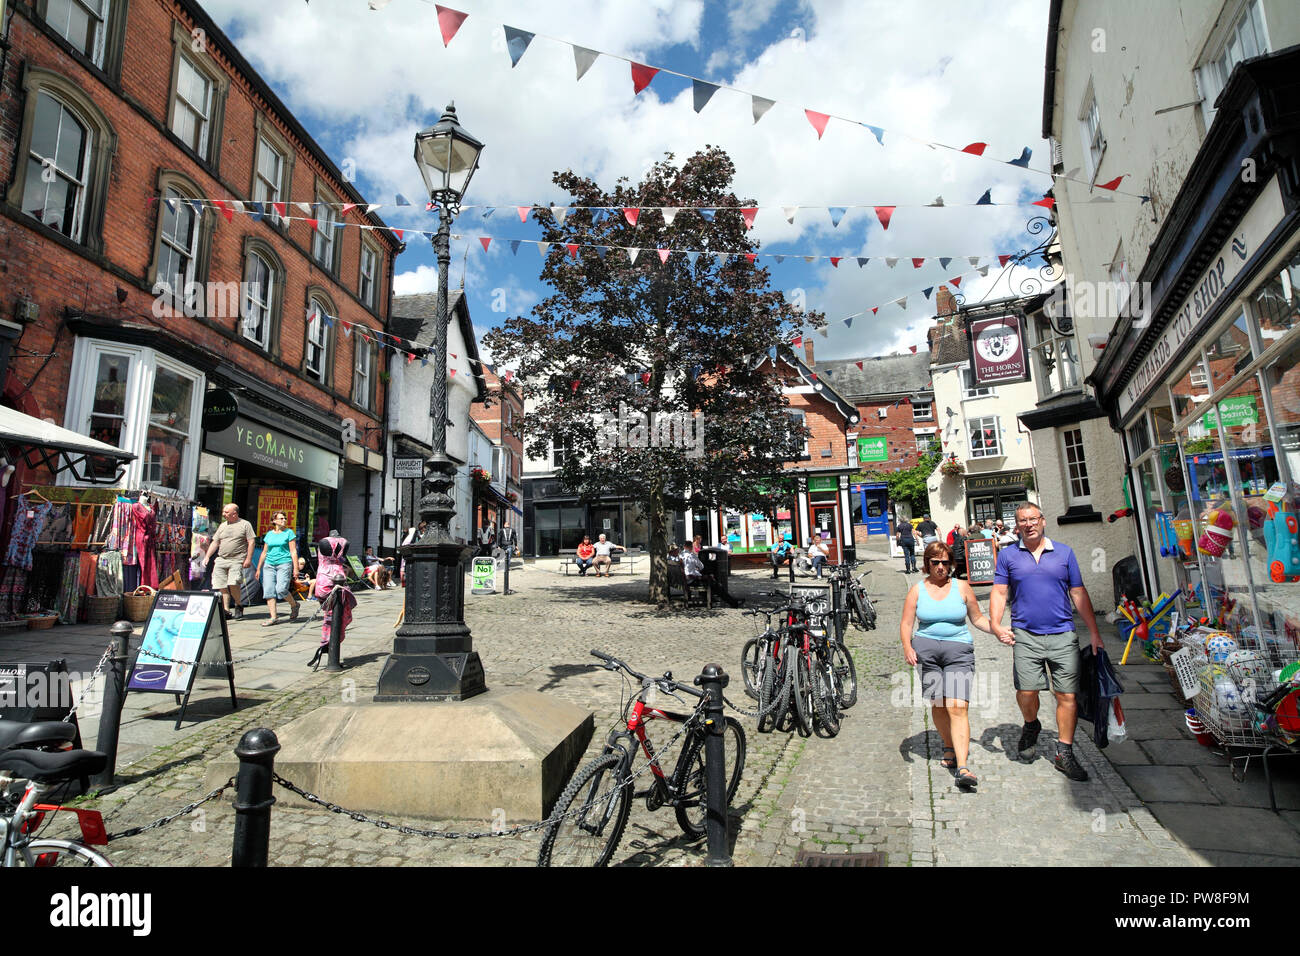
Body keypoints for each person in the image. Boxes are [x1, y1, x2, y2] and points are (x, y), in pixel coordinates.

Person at [988, 502, 1104, 782]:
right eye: (1022, 520)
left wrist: (1095, 632)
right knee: (1027, 691)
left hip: (1063, 633)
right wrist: (995, 624)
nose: (1028, 524)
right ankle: (1031, 724)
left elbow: (1077, 592)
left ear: (1043, 521)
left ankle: (1064, 752)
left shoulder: (1064, 553)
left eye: (1033, 519)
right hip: (1025, 635)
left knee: (1067, 695)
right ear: (1016, 525)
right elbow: (1000, 592)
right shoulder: (1008, 556)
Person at [901, 542, 1001, 790]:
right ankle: (948, 744)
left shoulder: (962, 587)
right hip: (927, 652)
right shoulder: (917, 590)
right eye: (935, 562)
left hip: (958, 651)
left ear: (951, 564)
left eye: (945, 562)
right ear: (927, 564)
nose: (941, 567)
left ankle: (963, 766)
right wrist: (907, 647)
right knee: (939, 703)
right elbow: (906, 624)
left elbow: (977, 618)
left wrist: (998, 631)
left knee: (957, 706)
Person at [205, 504, 254, 620]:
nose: (223, 514)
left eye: (226, 512)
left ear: (234, 514)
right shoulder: (222, 526)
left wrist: (248, 559)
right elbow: (215, 542)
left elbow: (251, 542)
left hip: (237, 559)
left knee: (233, 583)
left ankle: (238, 604)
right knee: (221, 585)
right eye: (223, 511)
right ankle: (226, 610)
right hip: (221, 559)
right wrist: (207, 556)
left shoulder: (245, 524)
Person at [255, 510, 300, 625]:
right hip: (269, 564)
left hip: (284, 563)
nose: (284, 520)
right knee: (269, 590)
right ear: (274, 521)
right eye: (281, 518)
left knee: (281, 589)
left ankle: (294, 605)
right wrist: (259, 568)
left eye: (284, 518)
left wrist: (296, 568)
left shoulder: (289, 533)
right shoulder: (269, 535)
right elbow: (264, 552)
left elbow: (293, 551)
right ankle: (273, 617)